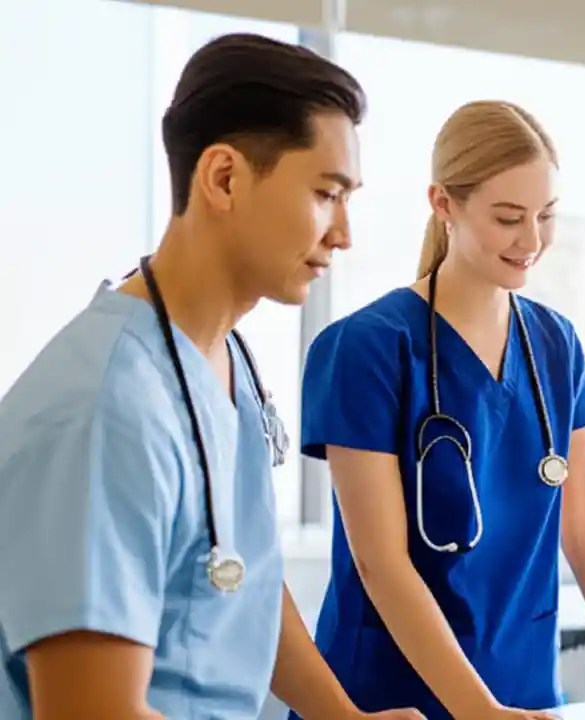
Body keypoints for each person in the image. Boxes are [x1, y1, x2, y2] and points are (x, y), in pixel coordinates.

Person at [0, 33, 422, 720]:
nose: (342, 233)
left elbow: (238, 578)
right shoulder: (106, 407)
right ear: (224, 178)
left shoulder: (226, 366)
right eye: (326, 193)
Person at [297, 99, 585, 719]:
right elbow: (381, 564)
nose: (533, 240)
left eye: (546, 215)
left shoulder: (555, 345)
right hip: (391, 698)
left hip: (524, 692)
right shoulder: (367, 349)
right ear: (443, 205)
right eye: (509, 218)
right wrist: (478, 712)